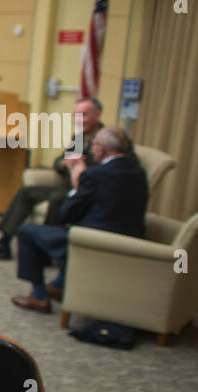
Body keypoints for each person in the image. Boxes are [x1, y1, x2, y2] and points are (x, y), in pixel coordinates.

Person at [11, 126, 148, 314]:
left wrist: (78, 178)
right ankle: (59, 284)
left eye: (94, 145)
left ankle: (39, 296)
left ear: (101, 149)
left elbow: (67, 214)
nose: (91, 149)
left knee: (28, 231)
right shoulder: (139, 173)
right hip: (129, 242)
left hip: (92, 243)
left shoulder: (95, 175)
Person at [0, 98, 106, 260]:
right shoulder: (79, 137)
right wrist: (65, 164)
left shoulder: (108, 138)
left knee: (57, 199)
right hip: (68, 186)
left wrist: (84, 168)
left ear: (97, 115)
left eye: (83, 115)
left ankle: (46, 249)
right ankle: (3, 243)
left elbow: (115, 168)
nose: (78, 120)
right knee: (26, 192)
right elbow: (57, 162)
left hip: (87, 192)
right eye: (75, 116)